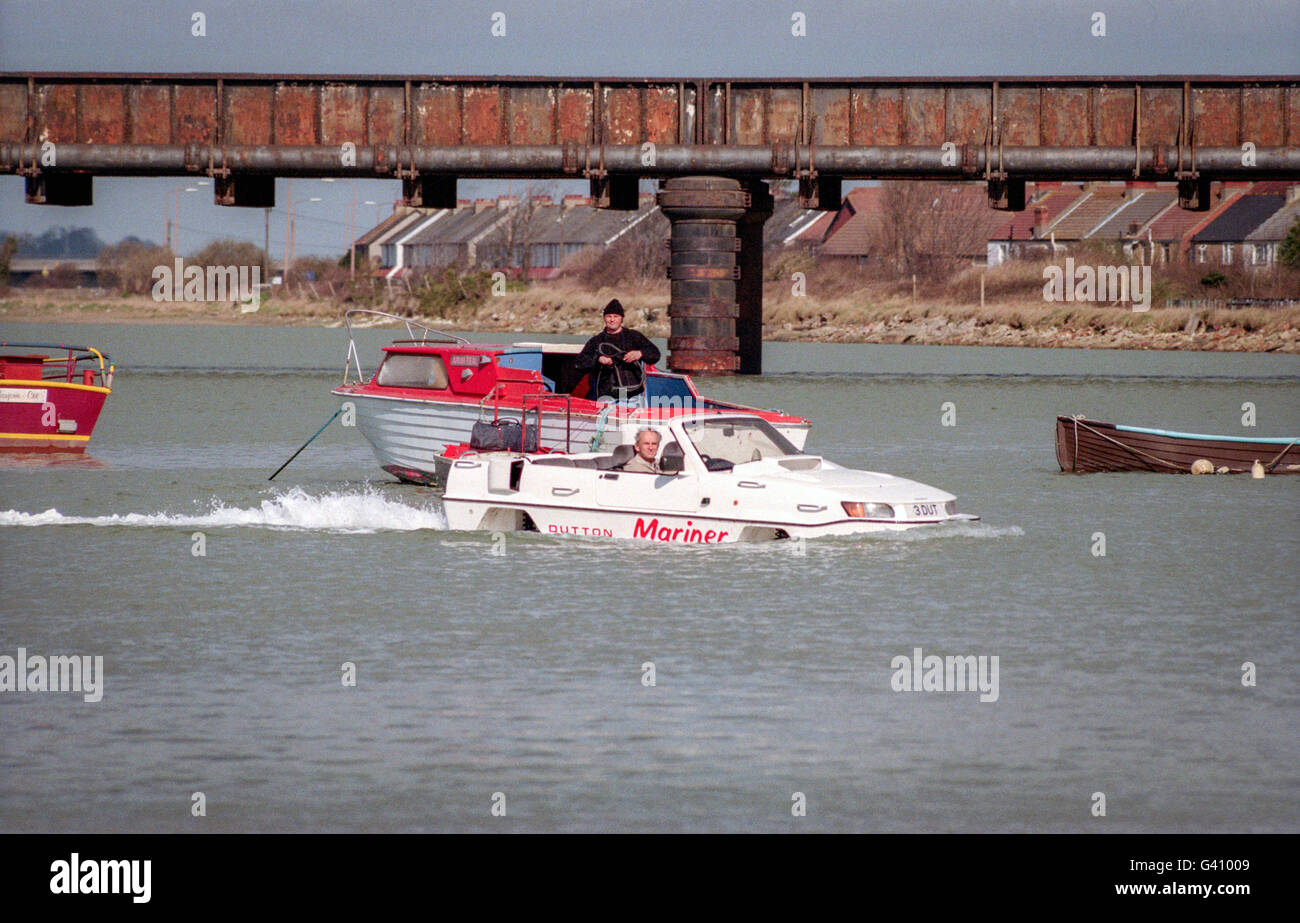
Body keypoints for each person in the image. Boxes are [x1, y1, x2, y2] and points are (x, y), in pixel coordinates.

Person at [574, 299, 661, 401]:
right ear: (604, 318)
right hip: (606, 394)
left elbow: (655, 354)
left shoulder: (634, 337)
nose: (612, 320)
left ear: (622, 319)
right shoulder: (596, 341)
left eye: (616, 316)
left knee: (628, 410)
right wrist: (598, 359)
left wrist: (640, 353)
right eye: (609, 316)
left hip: (632, 393)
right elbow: (579, 363)